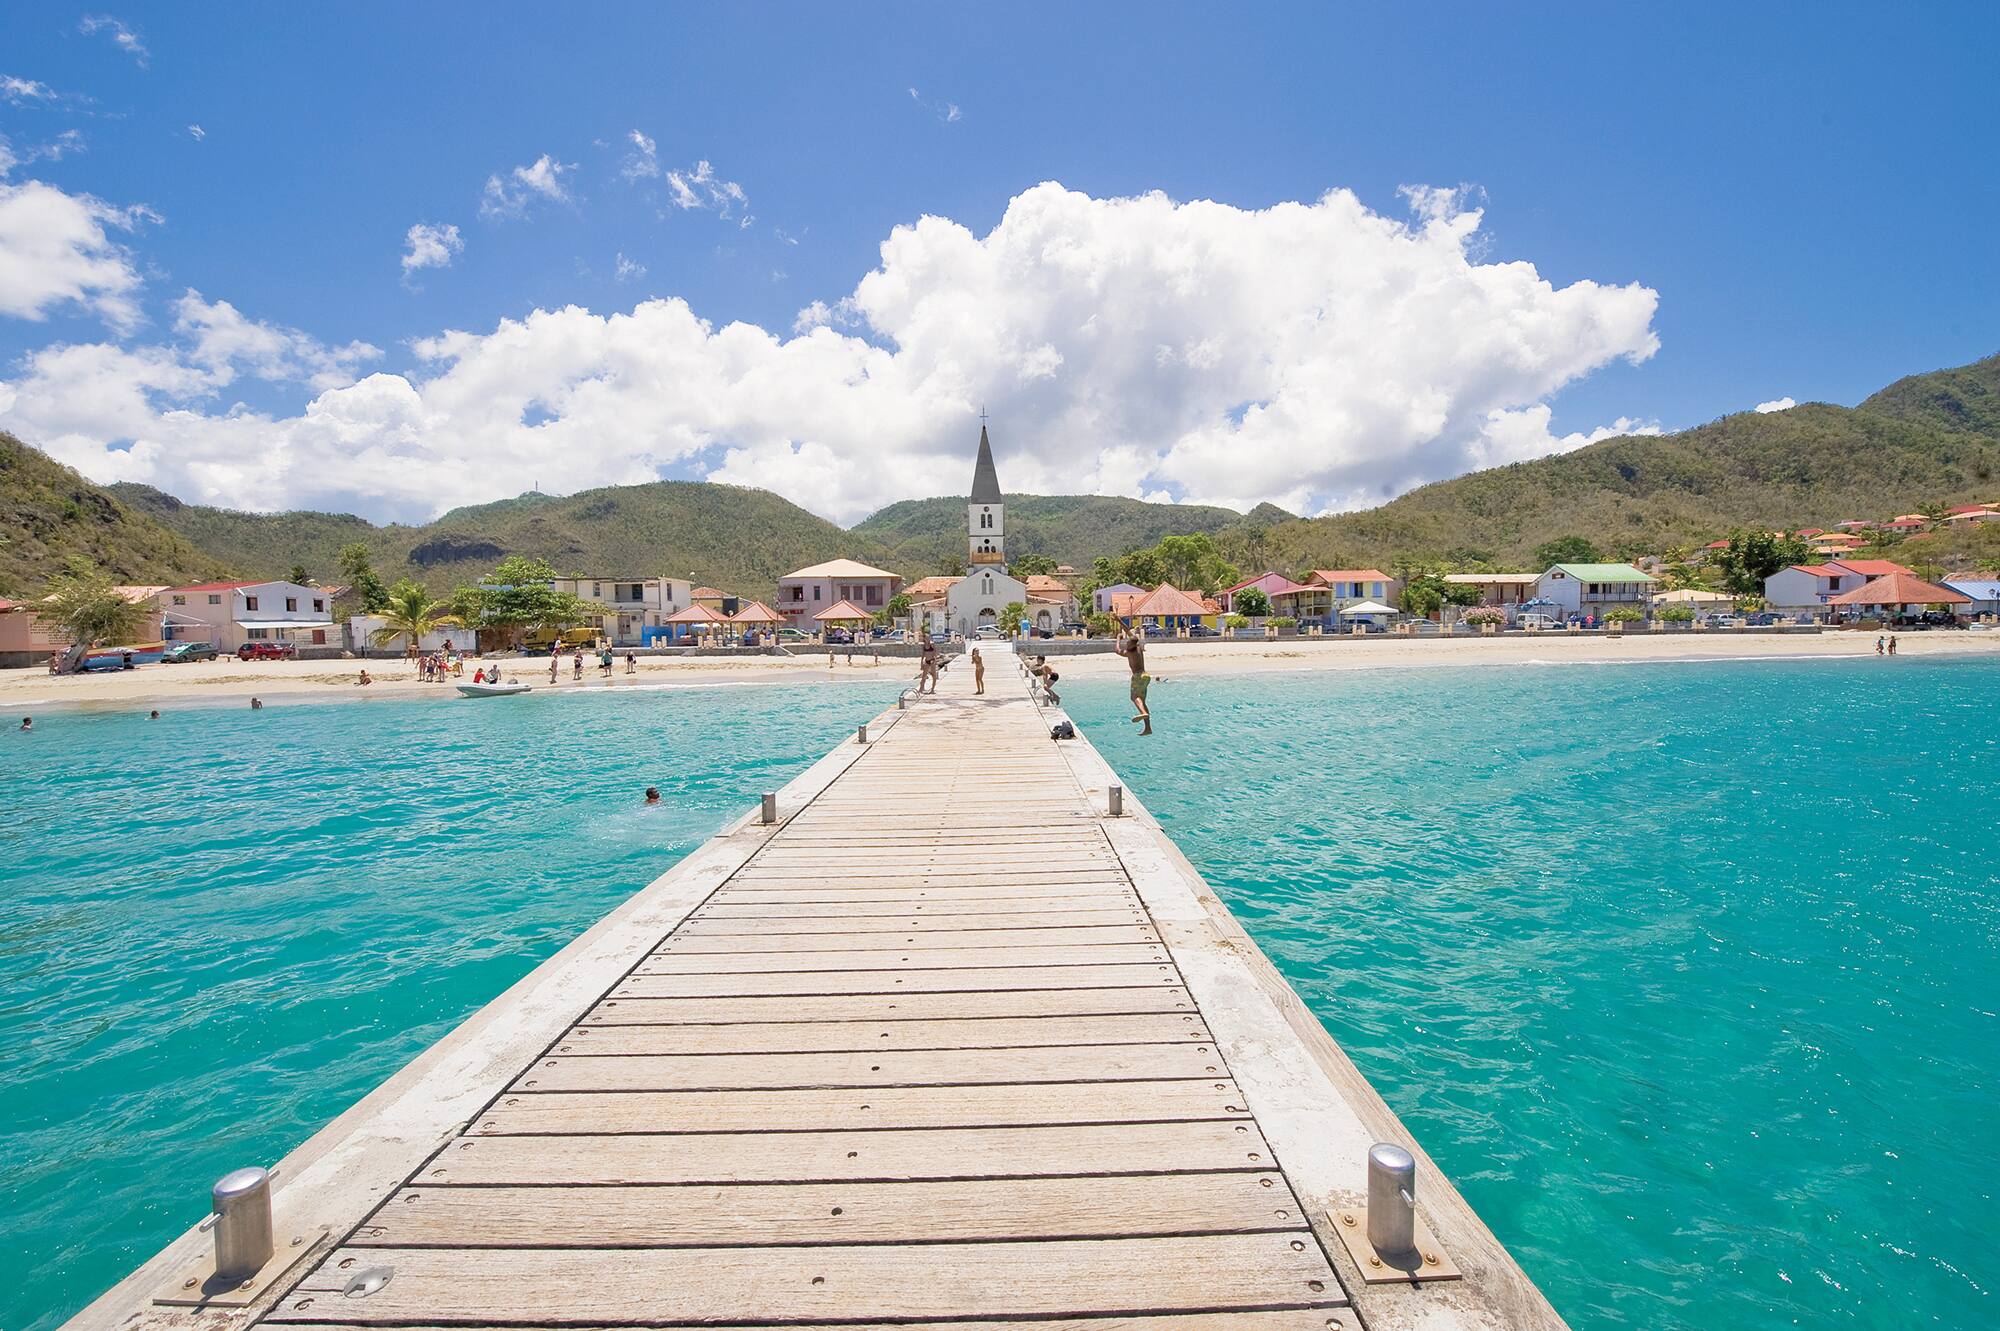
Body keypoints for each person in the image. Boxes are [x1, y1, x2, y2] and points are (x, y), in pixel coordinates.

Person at [1114, 630, 1152, 735]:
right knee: (1142, 702)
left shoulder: (1129, 653)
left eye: (1128, 643)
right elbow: (1132, 635)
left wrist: (1118, 639)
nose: (1126, 645)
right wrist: (1119, 621)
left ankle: (1143, 713)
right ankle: (1148, 728)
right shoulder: (1139, 647)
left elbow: (1117, 650)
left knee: (1134, 697)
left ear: (1131, 645)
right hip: (1146, 676)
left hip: (1138, 677)